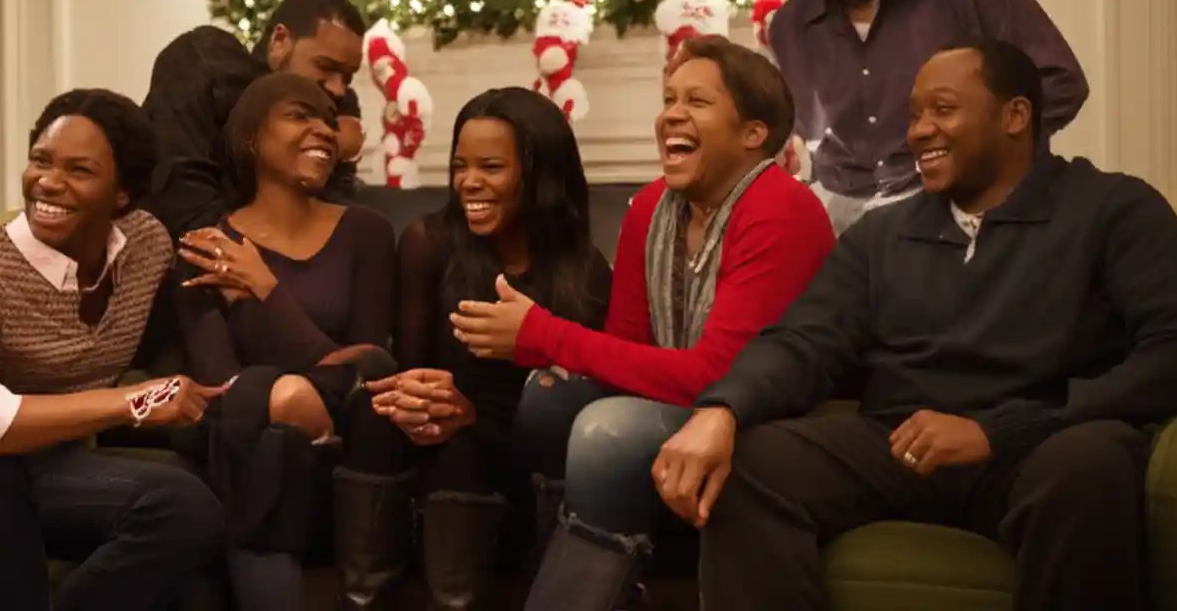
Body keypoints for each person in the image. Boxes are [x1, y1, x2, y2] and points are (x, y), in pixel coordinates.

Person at [655, 39, 1177, 611]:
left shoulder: (1112, 210)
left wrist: (995, 432)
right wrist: (723, 409)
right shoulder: (885, 234)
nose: (919, 131)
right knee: (752, 464)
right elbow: (805, 339)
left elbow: (1172, 350)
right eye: (914, 115)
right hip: (898, 445)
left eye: (943, 109)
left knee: (1092, 465)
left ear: (1015, 116)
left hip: (1041, 442)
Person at [443, 36, 836, 610]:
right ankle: (588, 576)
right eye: (669, 97)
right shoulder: (651, 208)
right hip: (686, 398)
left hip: (759, 415)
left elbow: (720, 375)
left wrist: (542, 334)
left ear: (753, 135)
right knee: (551, 395)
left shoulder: (782, 207)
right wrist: (542, 350)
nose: (672, 113)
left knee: (609, 433)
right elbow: (626, 348)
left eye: (698, 101)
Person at [0, 89, 226, 611]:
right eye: (40, 161)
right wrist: (131, 403)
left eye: (80, 170)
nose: (48, 182)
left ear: (123, 194)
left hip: (51, 464)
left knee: (187, 509)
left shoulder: (145, 246)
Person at [353, 87, 613, 610]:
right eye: (460, 165)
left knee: (473, 448)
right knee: (380, 411)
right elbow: (414, 367)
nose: (470, 182)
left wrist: (472, 413)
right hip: (440, 443)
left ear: (539, 176)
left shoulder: (583, 270)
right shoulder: (428, 244)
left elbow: (573, 400)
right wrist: (428, 401)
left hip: (529, 459)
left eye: (491, 166)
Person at [172, 73, 396, 611]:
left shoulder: (366, 231)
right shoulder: (206, 250)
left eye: (328, 117)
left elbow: (367, 372)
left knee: (299, 406)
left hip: (346, 463)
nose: (322, 129)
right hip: (248, 450)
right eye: (300, 115)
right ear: (251, 137)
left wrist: (264, 290)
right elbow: (223, 391)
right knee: (268, 423)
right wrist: (289, 397)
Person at [770, 0, 1088, 234]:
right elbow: (800, 134)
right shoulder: (791, 25)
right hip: (841, 223)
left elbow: (1061, 81)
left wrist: (988, 160)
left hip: (960, 214)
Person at [144, 0, 369, 241]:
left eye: (348, 77)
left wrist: (339, 157)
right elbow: (179, 191)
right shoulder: (206, 63)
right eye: (325, 67)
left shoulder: (338, 106)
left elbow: (332, 214)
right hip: (192, 250)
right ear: (280, 41)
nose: (338, 88)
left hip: (292, 256)